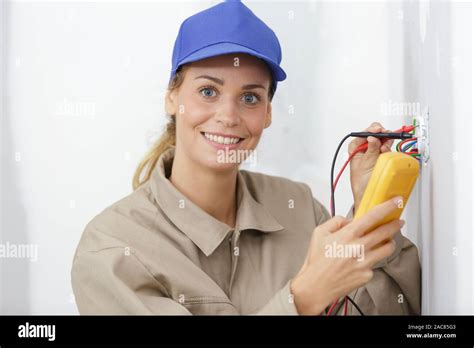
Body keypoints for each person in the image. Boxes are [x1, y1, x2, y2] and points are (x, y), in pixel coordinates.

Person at [71, 0, 421, 315]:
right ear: (171, 98)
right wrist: (301, 299)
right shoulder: (113, 248)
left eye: (250, 98)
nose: (228, 116)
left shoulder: (297, 207)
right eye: (208, 91)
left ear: (268, 112)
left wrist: (369, 211)